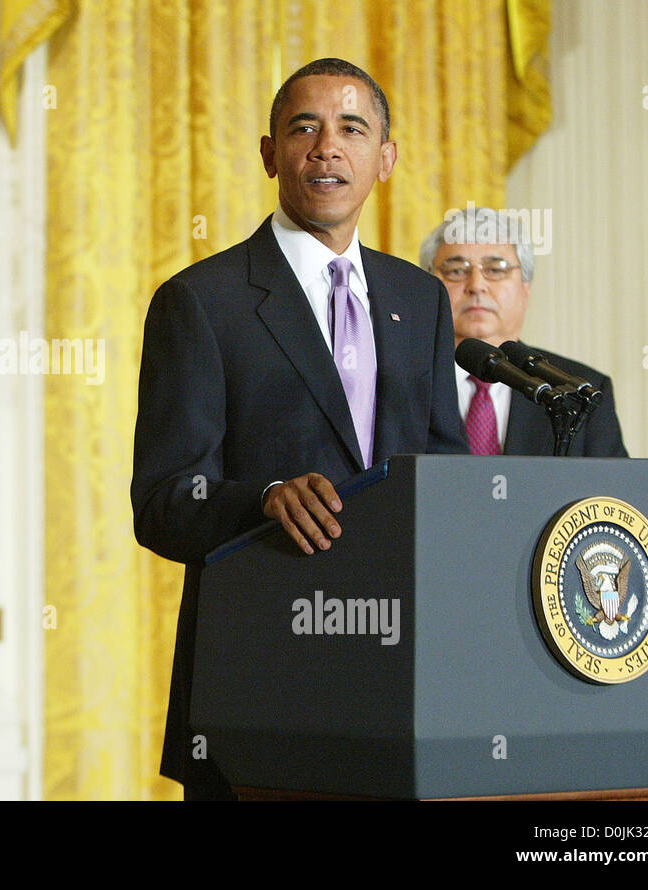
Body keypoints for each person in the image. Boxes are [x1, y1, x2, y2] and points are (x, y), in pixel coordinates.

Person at [131, 58, 466, 800]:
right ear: (267, 153)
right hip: (261, 693)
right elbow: (160, 502)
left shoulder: (421, 298)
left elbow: (446, 475)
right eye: (303, 127)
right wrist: (265, 499)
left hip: (402, 686)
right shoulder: (201, 302)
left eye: (352, 128)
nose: (326, 146)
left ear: (386, 157)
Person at [419, 206, 628, 456]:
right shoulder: (400, 382)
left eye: (495, 270)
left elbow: (610, 493)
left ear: (525, 287)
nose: (476, 285)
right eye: (456, 271)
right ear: (429, 285)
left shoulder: (580, 391)